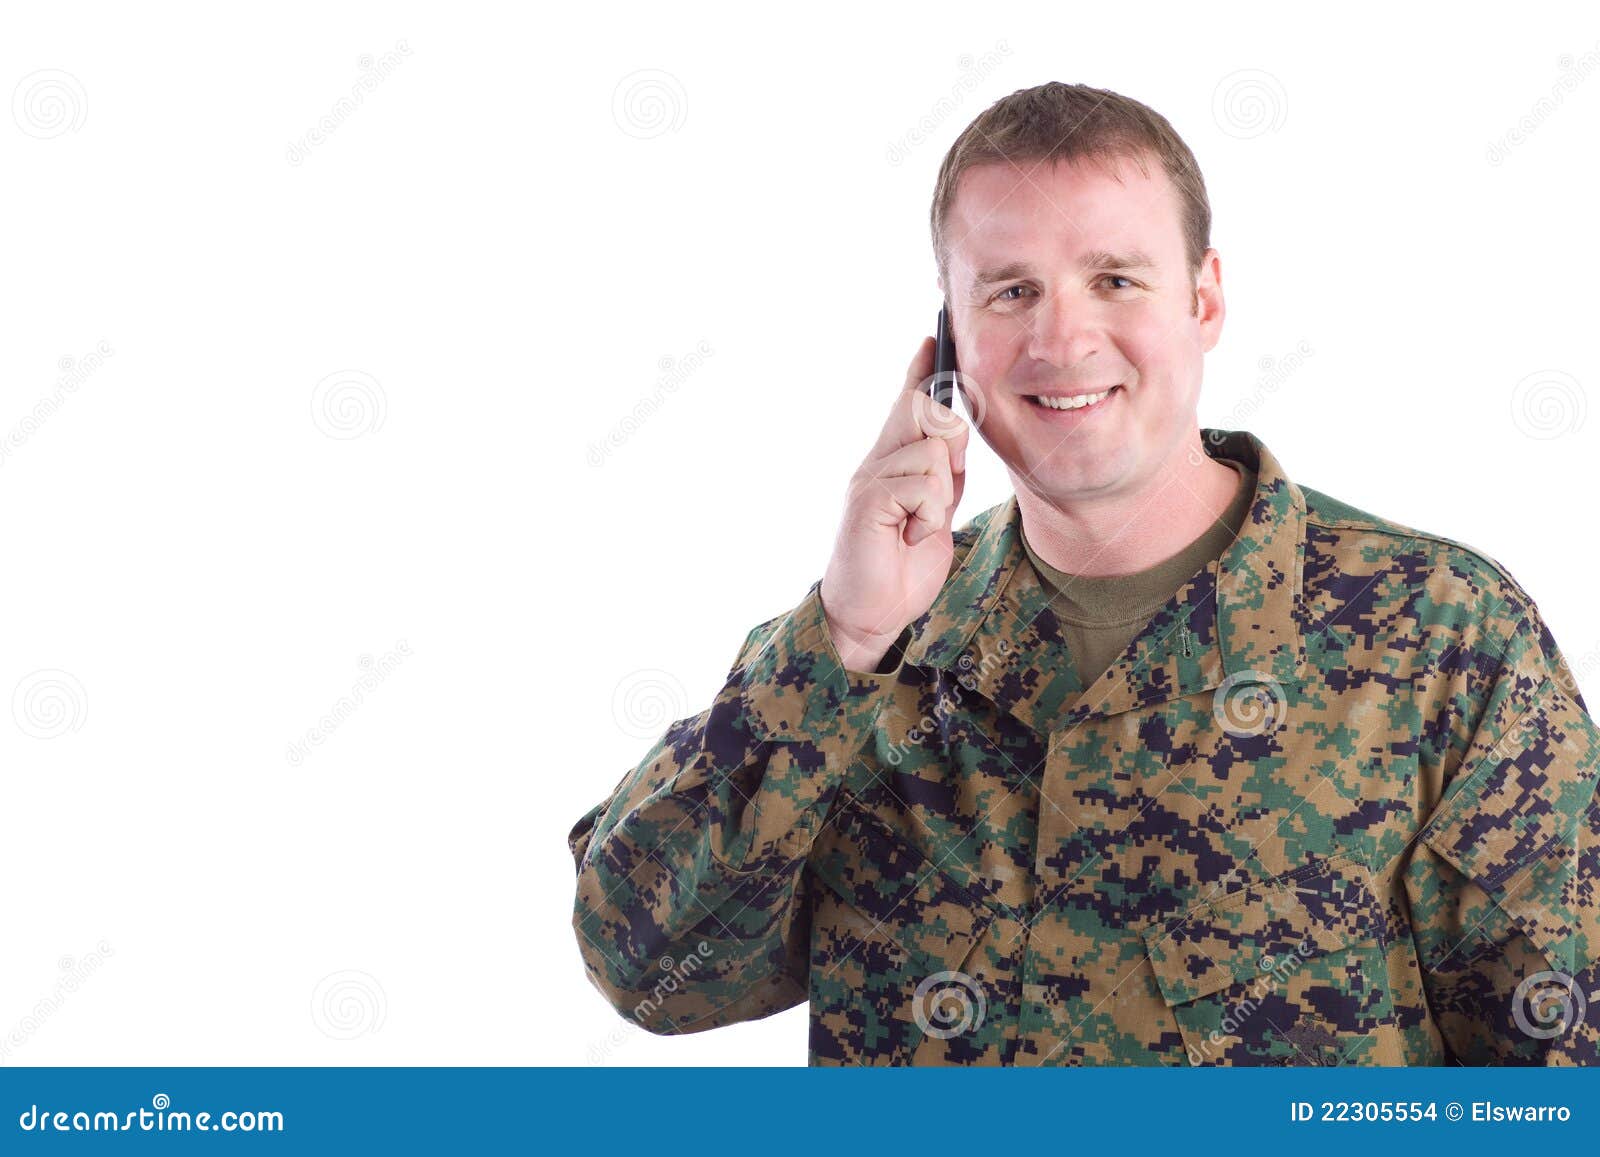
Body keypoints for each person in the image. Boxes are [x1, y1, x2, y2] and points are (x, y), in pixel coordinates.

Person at [567, 81, 1600, 1065]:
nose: (1061, 340)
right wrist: (844, 636)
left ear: (1204, 300)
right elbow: (651, 971)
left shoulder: (1440, 635)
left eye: (1115, 279)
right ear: (948, 340)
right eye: (1011, 291)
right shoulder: (868, 657)